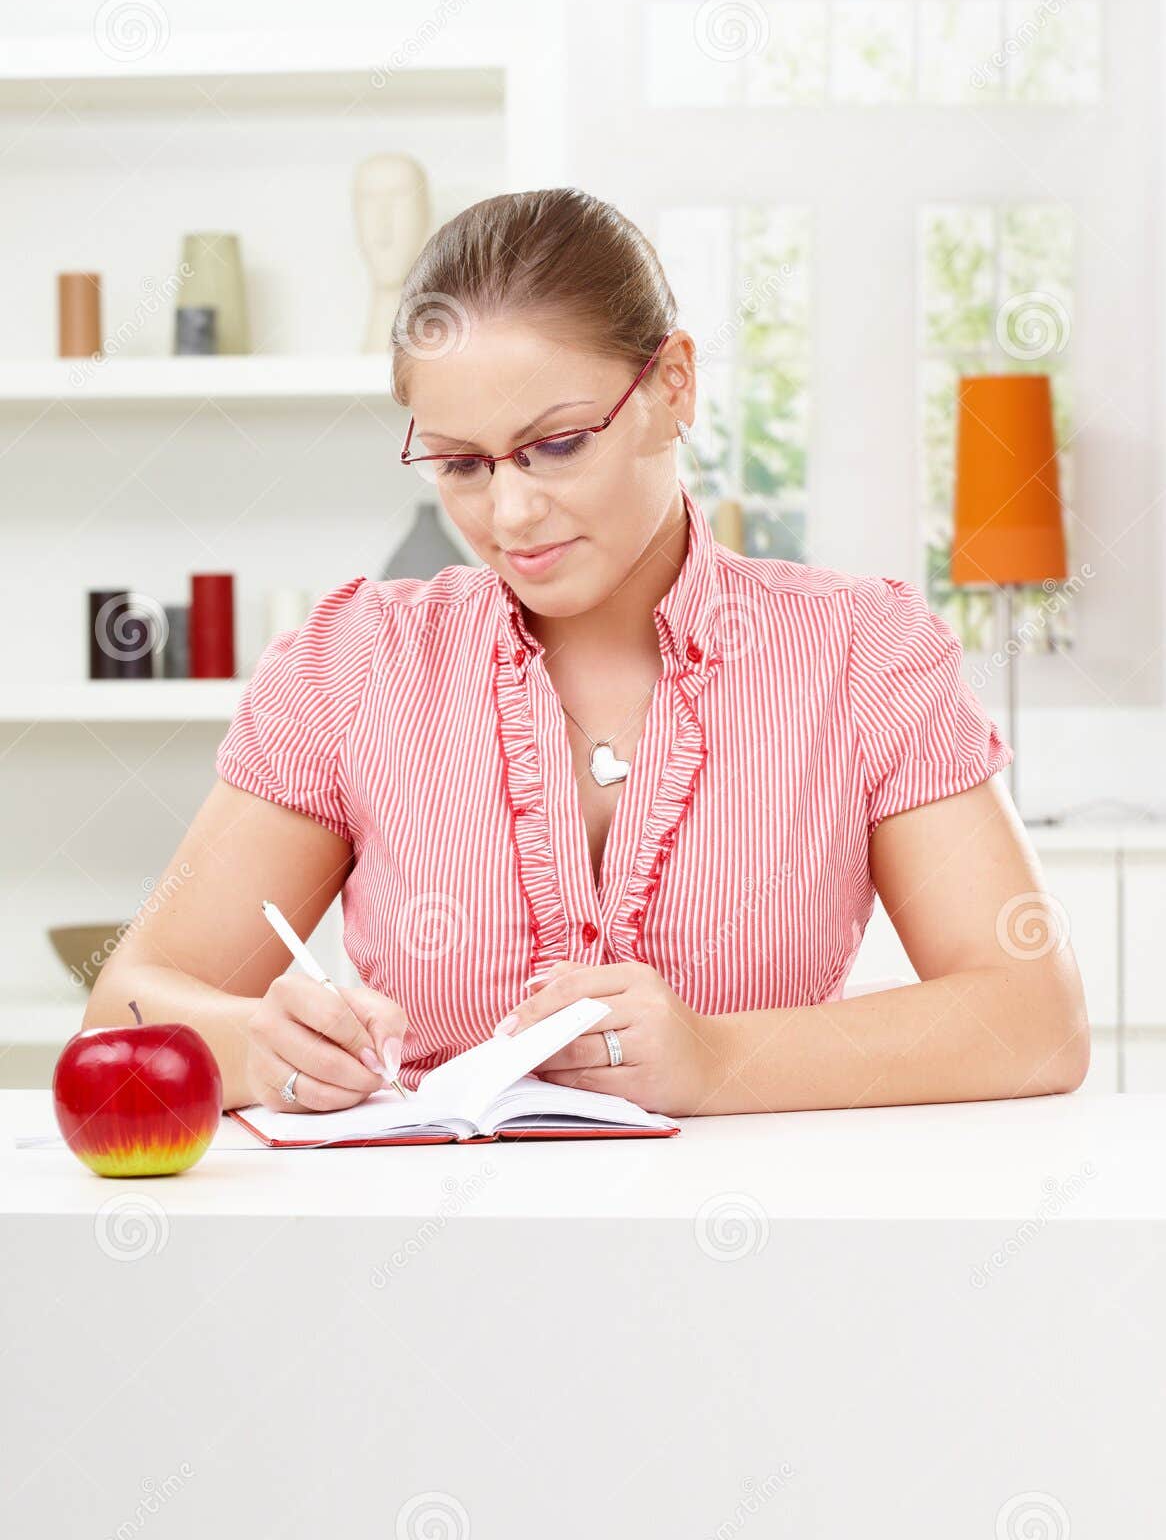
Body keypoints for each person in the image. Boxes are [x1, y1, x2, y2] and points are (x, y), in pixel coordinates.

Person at [84, 188, 1089, 1115]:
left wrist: (718, 1059)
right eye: (461, 464)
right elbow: (125, 1010)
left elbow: (1034, 1018)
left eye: (558, 445)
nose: (511, 513)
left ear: (672, 385)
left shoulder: (860, 654)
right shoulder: (352, 666)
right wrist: (257, 1047)